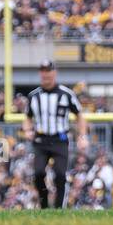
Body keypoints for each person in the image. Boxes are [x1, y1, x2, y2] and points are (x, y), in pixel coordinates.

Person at [23, 60, 87, 209]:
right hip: (40, 139)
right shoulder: (34, 96)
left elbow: (79, 116)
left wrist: (82, 136)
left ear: (54, 73)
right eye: (43, 71)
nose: (45, 74)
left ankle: (58, 208)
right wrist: (27, 130)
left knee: (60, 174)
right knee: (38, 173)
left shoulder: (66, 94)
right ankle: (44, 205)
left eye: (48, 71)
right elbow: (27, 117)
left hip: (59, 139)